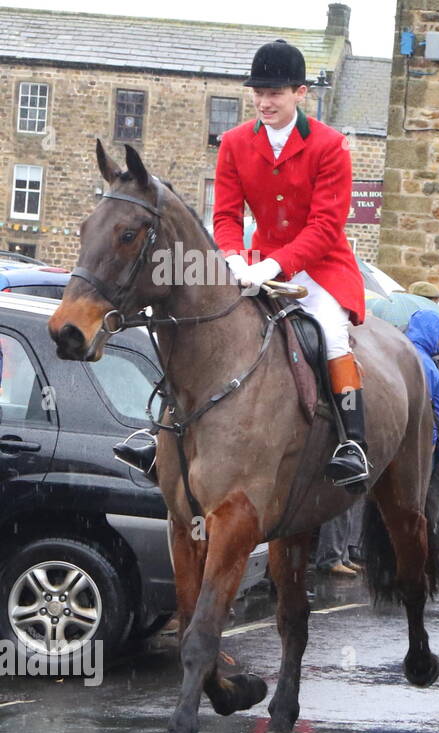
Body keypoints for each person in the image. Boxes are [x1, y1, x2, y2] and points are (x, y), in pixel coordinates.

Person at [112, 40, 370, 488]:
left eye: (275, 93)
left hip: (320, 266)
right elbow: (226, 215)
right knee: (192, 321)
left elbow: (327, 226)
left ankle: (353, 442)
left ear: (300, 93)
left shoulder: (331, 146)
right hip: (251, 259)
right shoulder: (233, 142)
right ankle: (161, 436)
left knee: (329, 331)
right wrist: (231, 256)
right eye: (259, 92)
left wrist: (273, 267)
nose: (265, 102)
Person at [404, 309, 439, 545]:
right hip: (425, 444)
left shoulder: (408, 354)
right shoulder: (422, 362)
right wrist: (436, 442)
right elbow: (430, 407)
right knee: (422, 504)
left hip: (415, 440)